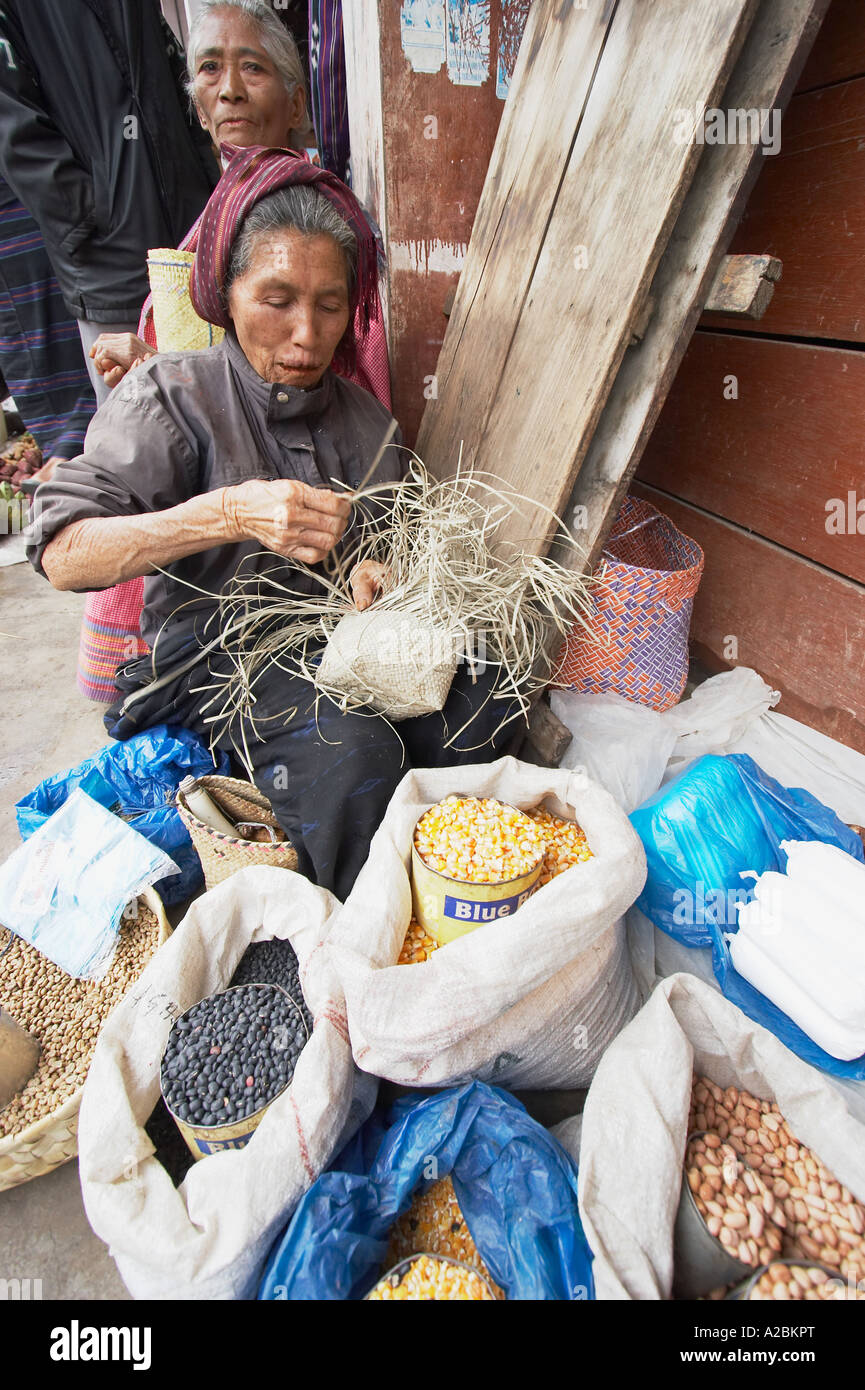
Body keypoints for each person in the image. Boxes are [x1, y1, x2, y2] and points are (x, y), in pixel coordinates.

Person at [27, 147, 516, 902]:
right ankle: (366, 940)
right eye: (276, 299)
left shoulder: (365, 422)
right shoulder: (175, 396)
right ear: (225, 292)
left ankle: (452, 896)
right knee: (351, 757)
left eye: (328, 305)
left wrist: (375, 576)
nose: (306, 335)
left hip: (340, 650)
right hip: (214, 671)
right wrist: (227, 511)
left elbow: (384, 555)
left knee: (486, 701)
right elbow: (65, 554)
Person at [81, 0, 390, 704]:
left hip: (313, 549)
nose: (227, 90)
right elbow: (68, 551)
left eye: (252, 68)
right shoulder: (213, 211)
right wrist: (155, 368)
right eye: (209, 68)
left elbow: (358, 390)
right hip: (215, 605)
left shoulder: (322, 216)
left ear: (295, 97)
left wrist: (373, 554)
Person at [0, 0, 219, 408]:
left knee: (216, 411)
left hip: (190, 237)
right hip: (107, 256)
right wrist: (89, 217)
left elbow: (171, 73)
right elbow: (13, 125)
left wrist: (207, 183)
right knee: (141, 432)